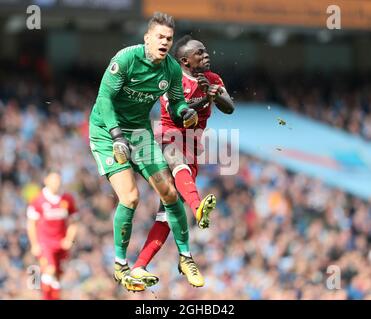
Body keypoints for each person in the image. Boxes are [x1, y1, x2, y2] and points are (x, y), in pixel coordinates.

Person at [88, 12, 204, 292]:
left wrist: (185, 111)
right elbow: (104, 99)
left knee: (170, 193)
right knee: (130, 196)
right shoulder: (126, 59)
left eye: (169, 39)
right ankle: (120, 265)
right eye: (160, 37)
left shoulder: (172, 69)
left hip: (139, 133)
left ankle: (186, 258)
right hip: (106, 130)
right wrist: (116, 135)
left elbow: (176, 104)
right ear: (147, 38)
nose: (165, 43)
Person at [130, 35, 234, 288]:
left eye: (206, 50)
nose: (206, 55)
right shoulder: (170, 78)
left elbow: (229, 107)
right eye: (200, 52)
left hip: (194, 146)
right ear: (186, 60)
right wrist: (205, 99)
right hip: (166, 139)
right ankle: (198, 207)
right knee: (177, 164)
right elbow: (180, 115)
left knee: (167, 214)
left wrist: (216, 95)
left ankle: (139, 267)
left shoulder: (213, 79)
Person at [27, 171, 78, 300]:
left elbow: (73, 222)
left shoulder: (67, 199)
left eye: (58, 180)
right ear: (46, 180)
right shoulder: (38, 200)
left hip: (61, 243)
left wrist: (69, 239)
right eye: (53, 179)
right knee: (49, 270)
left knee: (57, 277)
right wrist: (34, 244)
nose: (57, 183)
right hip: (45, 242)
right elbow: (31, 224)